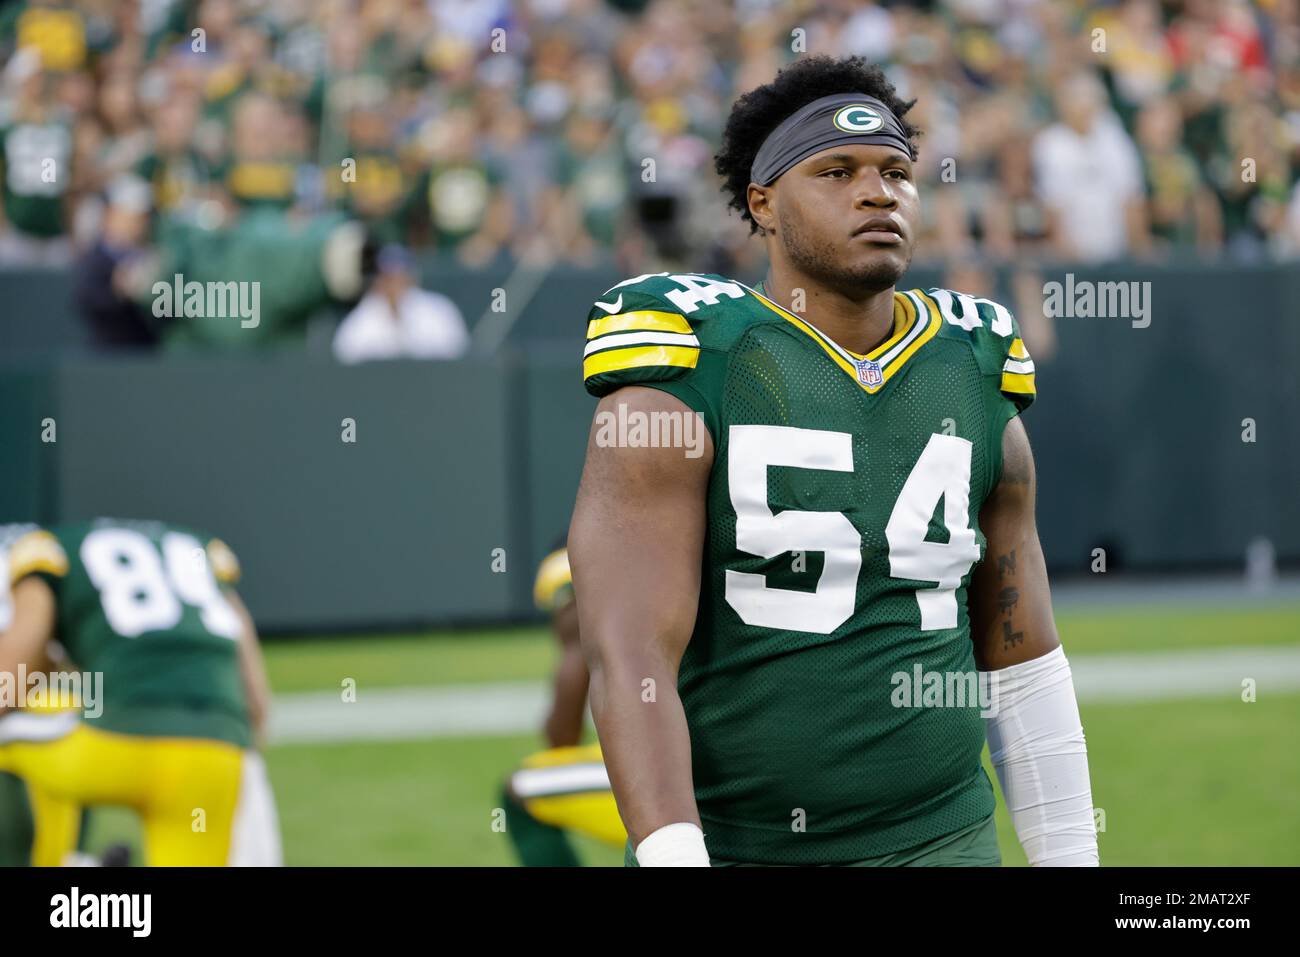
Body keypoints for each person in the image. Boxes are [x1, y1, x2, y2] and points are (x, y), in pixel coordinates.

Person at [568, 56, 1098, 867]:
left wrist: (1071, 858)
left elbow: (1021, 657)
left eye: (896, 171)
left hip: (946, 839)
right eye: (836, 171)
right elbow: (629, 655)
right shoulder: (688, 364)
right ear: (763, 203)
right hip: (751, 850)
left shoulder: (972, 363)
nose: (877, 192)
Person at [0, 518, 281, 866]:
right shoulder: (201, 550)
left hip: (114, 747)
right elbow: (255, 696)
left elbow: (10, 676)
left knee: (10, 736)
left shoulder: (49, 552)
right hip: (216, 752)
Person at [500, 543, 625, 866]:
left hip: (681, 778)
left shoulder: (578, 583)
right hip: (742, 760)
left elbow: (561, 741)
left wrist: (576, 631)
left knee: (520, 791)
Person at [331, 244, 470, 364]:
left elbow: (456, 352)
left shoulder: (438, 310)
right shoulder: (363, 317)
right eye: (389, 277)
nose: (395, 284)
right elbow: (345, 354)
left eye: (400, 276)